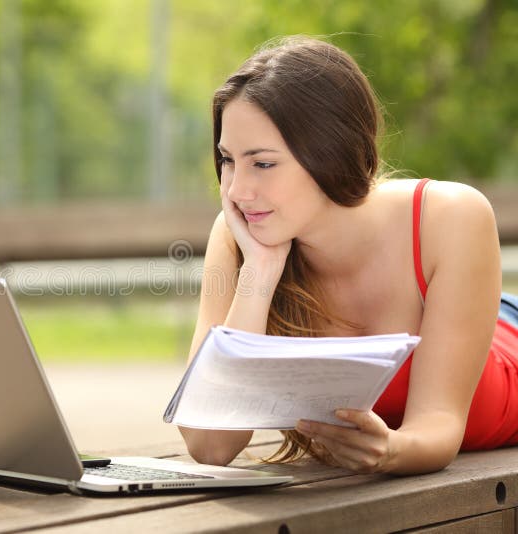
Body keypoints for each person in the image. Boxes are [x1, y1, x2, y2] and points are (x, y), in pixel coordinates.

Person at [179, 35, 518, 475]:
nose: (237, 191)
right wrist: (259, 275)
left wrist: (391, 452)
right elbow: (210, 445)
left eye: (262, 163)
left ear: (330, 153)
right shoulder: (237, 238)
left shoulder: (449, 216)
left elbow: (439, 424)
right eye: (228, 160)